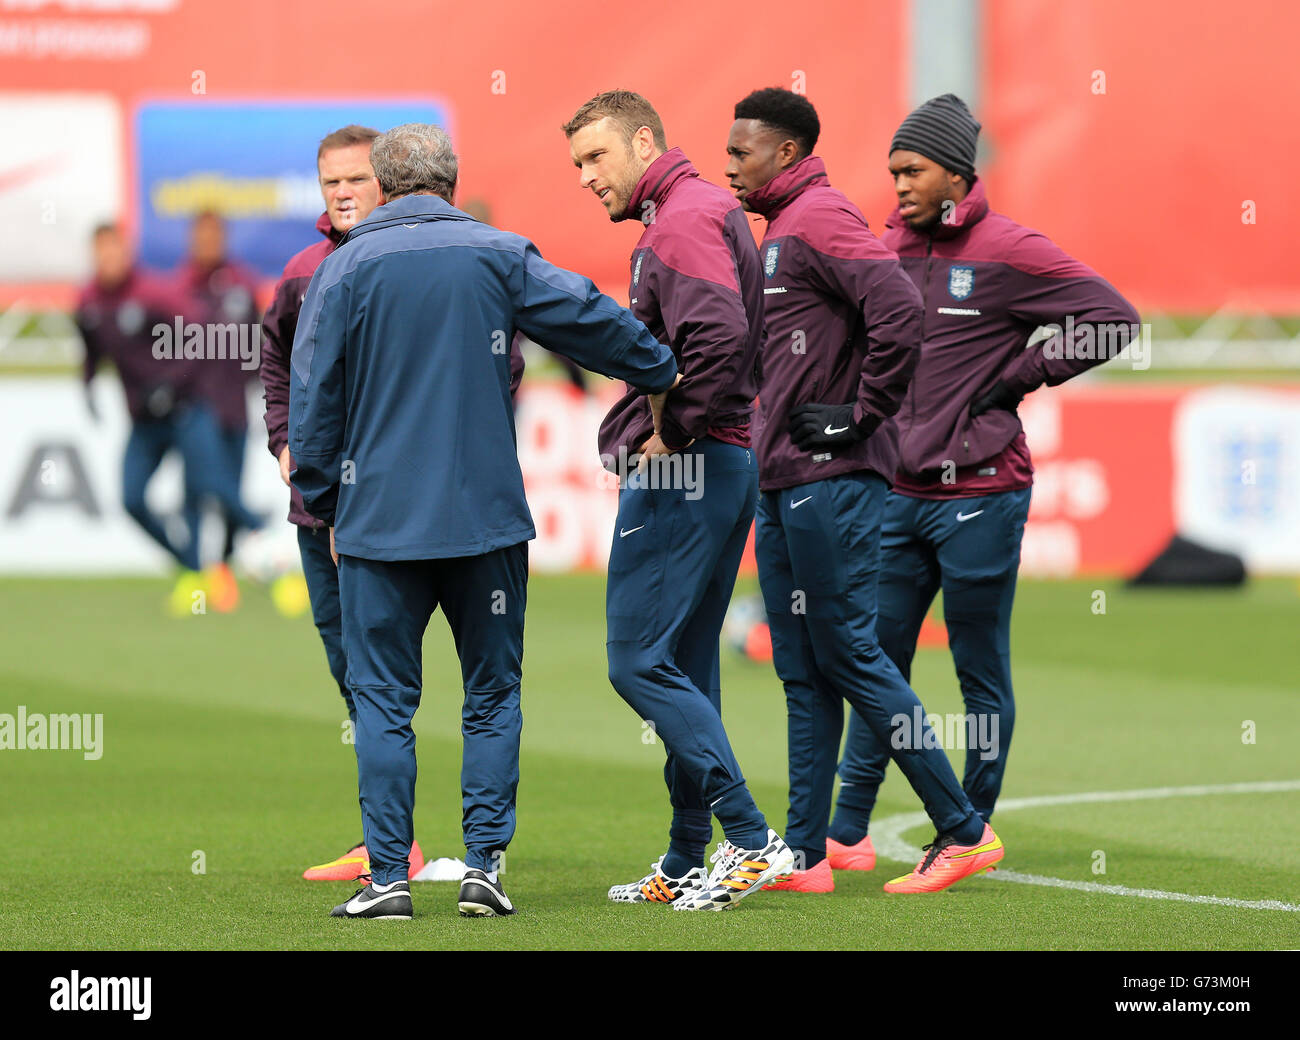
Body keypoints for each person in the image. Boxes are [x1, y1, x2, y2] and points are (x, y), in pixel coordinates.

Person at [289, 122, 679, 920]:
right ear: (453, 182)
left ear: (386, 185)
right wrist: (662, 367)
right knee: (493, 696)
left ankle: (389, 877)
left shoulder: (345, 267)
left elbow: (312, 401)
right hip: (485, 525)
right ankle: (485, 869)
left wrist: (327, 502)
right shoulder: (499, 253)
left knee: (382, 705)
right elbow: (590, 322)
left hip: (378, 529)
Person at [828, 94, 1140, 868]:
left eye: (912, 170)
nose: (897, 184)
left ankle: (965, 831)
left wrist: (1022, 374)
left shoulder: (1010, 249)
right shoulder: (883, 249)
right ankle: (847, 832)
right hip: (897, 493)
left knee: (978, 670)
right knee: (875, 663)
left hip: (983, 495)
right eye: (892, 170)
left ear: (956, 174)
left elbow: (1115, 318)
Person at [725, 86, 1003, 895]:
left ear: (785, 152)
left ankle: (963, 830)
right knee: (803, 671)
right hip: (783, 477)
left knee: (847, 652)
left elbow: (899, 307)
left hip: (833, 478)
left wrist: (860, 417)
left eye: (741, 150)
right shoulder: (783, 229)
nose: (729, 164)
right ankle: (806, 856)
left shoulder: (820, 218)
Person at [563, 90, 794, 912]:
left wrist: (673, 433)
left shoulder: (681, 219)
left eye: (596, 157)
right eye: (577, 165)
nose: (587, 178)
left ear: (644, 140)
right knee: (687, 666)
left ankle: (751, 836)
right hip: (726, 463)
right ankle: (689, 854)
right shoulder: (693, 210)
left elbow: (719, 339)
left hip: (691, 466)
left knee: (636, 662)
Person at [76, 223, 211, 612]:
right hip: (142, 420)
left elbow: (199, 332)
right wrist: (87, 386)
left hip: (184, 411)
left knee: (200, 490)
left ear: (127, 252)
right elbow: (89, 348)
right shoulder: (89, 301)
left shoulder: (154, 292)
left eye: (114, 251)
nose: (108, 260)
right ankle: (189, 562)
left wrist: (173, 382)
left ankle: (204, 580)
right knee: (131, 499)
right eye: (101, 253)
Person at [176, 210, 264, 612]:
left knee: (229, 484)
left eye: (214, 235)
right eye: (201, 236)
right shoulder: (178, 287)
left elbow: (262, 344)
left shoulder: (243, 284)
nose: (207, 243)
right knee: (200, 487)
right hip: (195, 407)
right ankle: (196, 574)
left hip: (236, 406)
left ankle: (223, 574)